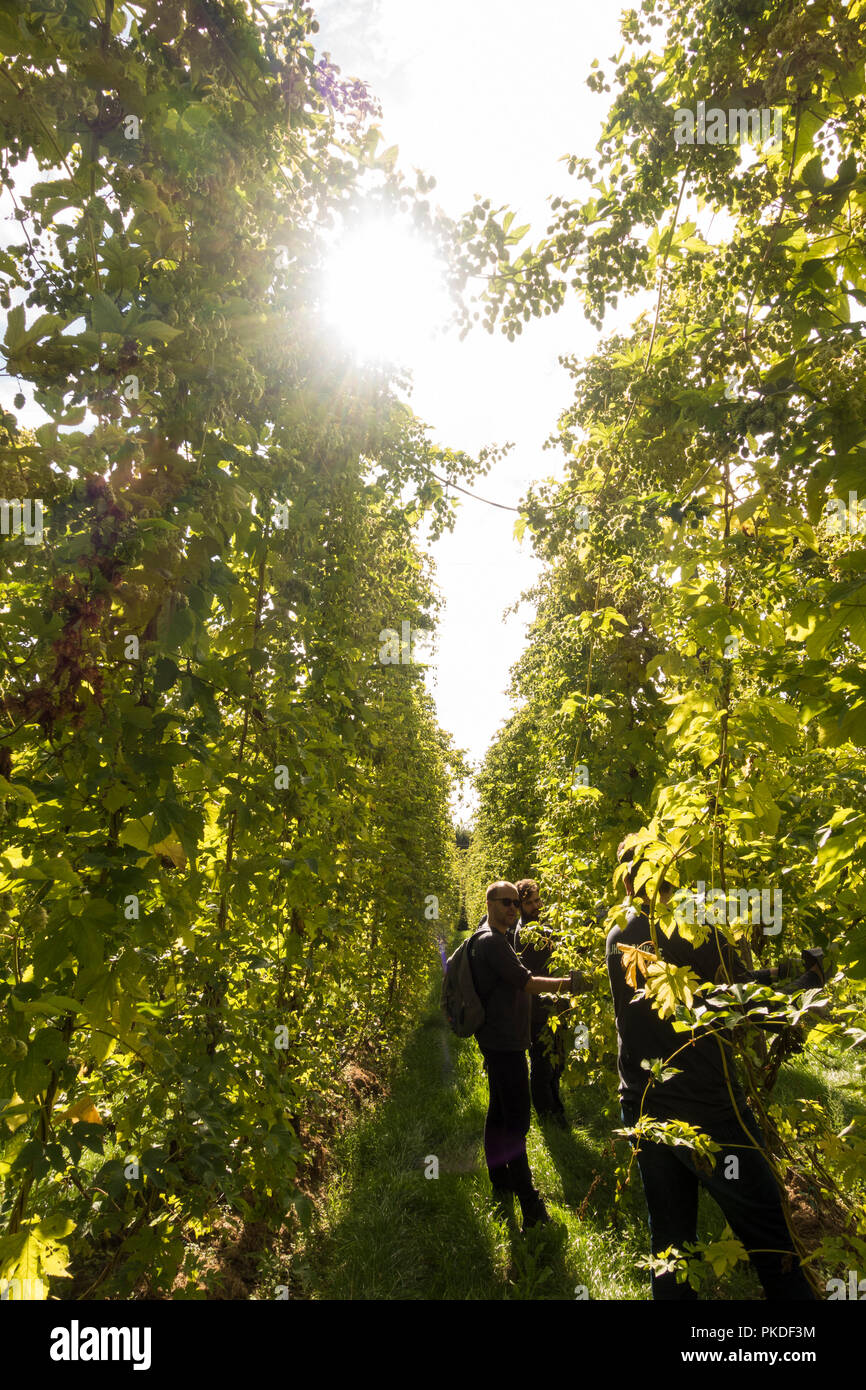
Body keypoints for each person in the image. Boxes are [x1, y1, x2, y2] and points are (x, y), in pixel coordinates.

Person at [607, 840, 824, 1300]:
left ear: (631, 881)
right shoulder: (696, 927)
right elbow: (739, 1005)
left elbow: (709, 991)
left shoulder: (620, 934)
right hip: (710, 1114)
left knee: (671, 1248)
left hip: (645, 1108)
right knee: (771, 1236)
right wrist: (808, 986)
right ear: (673, 872)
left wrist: (774, 974)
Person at [471, 880, 589, 1231]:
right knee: (517, 1124)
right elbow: (526, 981)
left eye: (514, 903)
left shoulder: (491, 936)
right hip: (505, 1044)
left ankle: (500, 1181)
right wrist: (569, 984)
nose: (512, 908)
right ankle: (532, 1208)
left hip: (497, 1041)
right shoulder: (493, 941)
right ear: (490, 904)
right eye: (505, 902)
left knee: (498, 1112)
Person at [512, 879, 568, 1124]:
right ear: (520, 906)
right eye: (530, 902)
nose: (536, 906)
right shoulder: (526, 934)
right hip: (538, 1010)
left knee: (556, 1059)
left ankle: (554, 1105)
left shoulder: (542, 927)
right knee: (543, 1062)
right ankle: (548, 1114)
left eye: (538, 900)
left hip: (555, 1006)